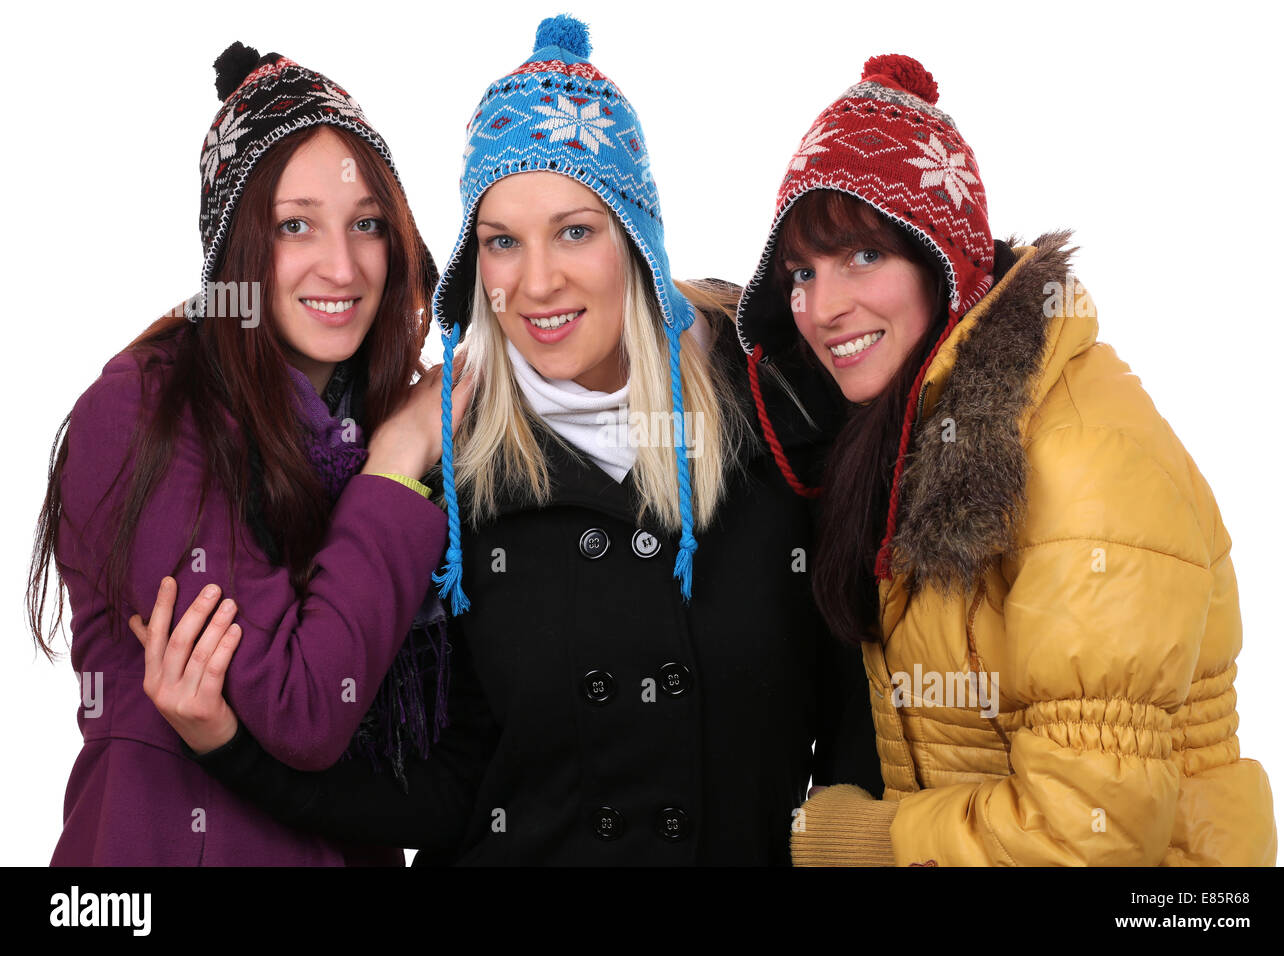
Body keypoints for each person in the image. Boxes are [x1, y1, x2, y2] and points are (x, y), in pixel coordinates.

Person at [130, 15, 880, 866]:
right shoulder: (447, 467)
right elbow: (443, 789)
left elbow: (860, 723)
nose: (537, 283)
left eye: (574, 230)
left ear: (635, 239)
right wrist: (230, 745)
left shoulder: (780, 406)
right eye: (500, 243)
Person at [733, 54, 1277, 865]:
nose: (824, 306)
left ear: (940, 264)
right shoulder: (902, 434)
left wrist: (869, 842)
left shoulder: (1079, 459)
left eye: (863, 257)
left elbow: (1088, 831)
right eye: (802, 274)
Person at [29, 42, 476, 865]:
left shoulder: (386, 419)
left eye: (367, 224)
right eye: (293, 225)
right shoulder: (143, 412)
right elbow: (302, 706)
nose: (341, 267)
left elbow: (450, 781)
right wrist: (397, 459)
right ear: (234, 250)